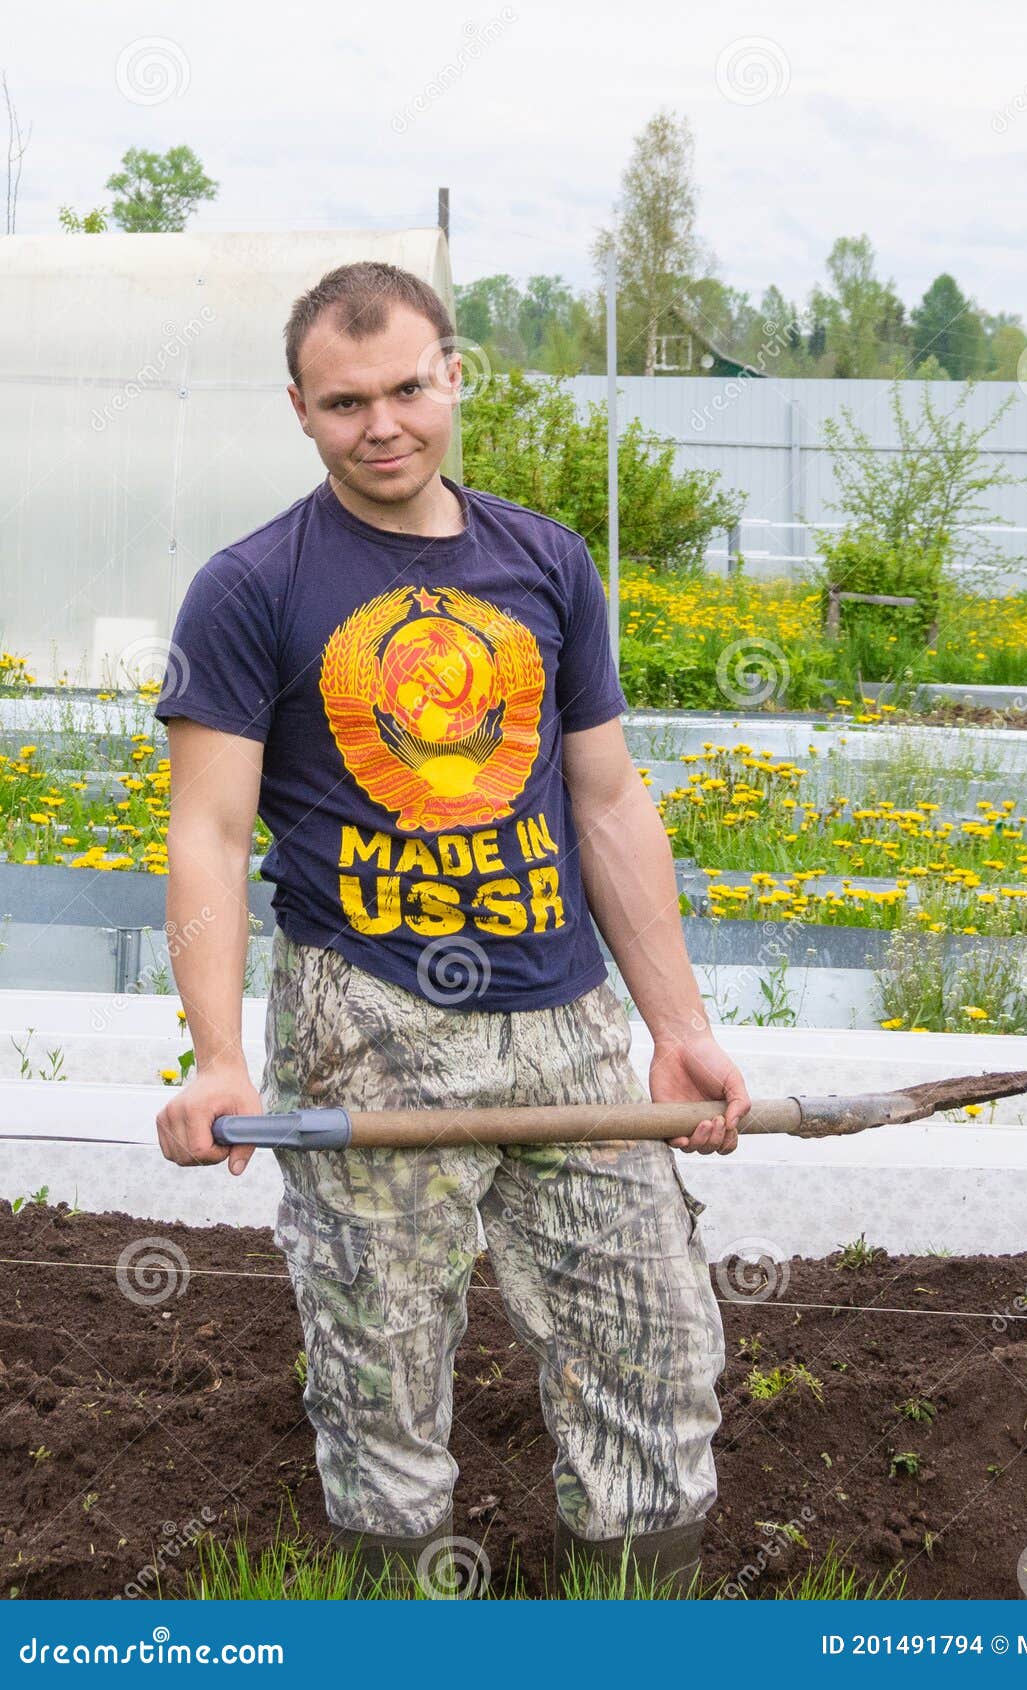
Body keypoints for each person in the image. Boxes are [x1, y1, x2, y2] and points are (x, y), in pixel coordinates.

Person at [152, 259, 751, 1599]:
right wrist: (216, 1056)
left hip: (569, 1023)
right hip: (369, 1023)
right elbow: (206, 832)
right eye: (346, 399)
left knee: (653, 1347)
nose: (384, 424)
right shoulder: (251, 586)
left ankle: (629, 1638)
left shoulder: (545, 560)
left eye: (409, 387)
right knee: (382, 1386)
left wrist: (681, 1031)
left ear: (455, 374)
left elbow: (605, 800)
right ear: (301, 409)